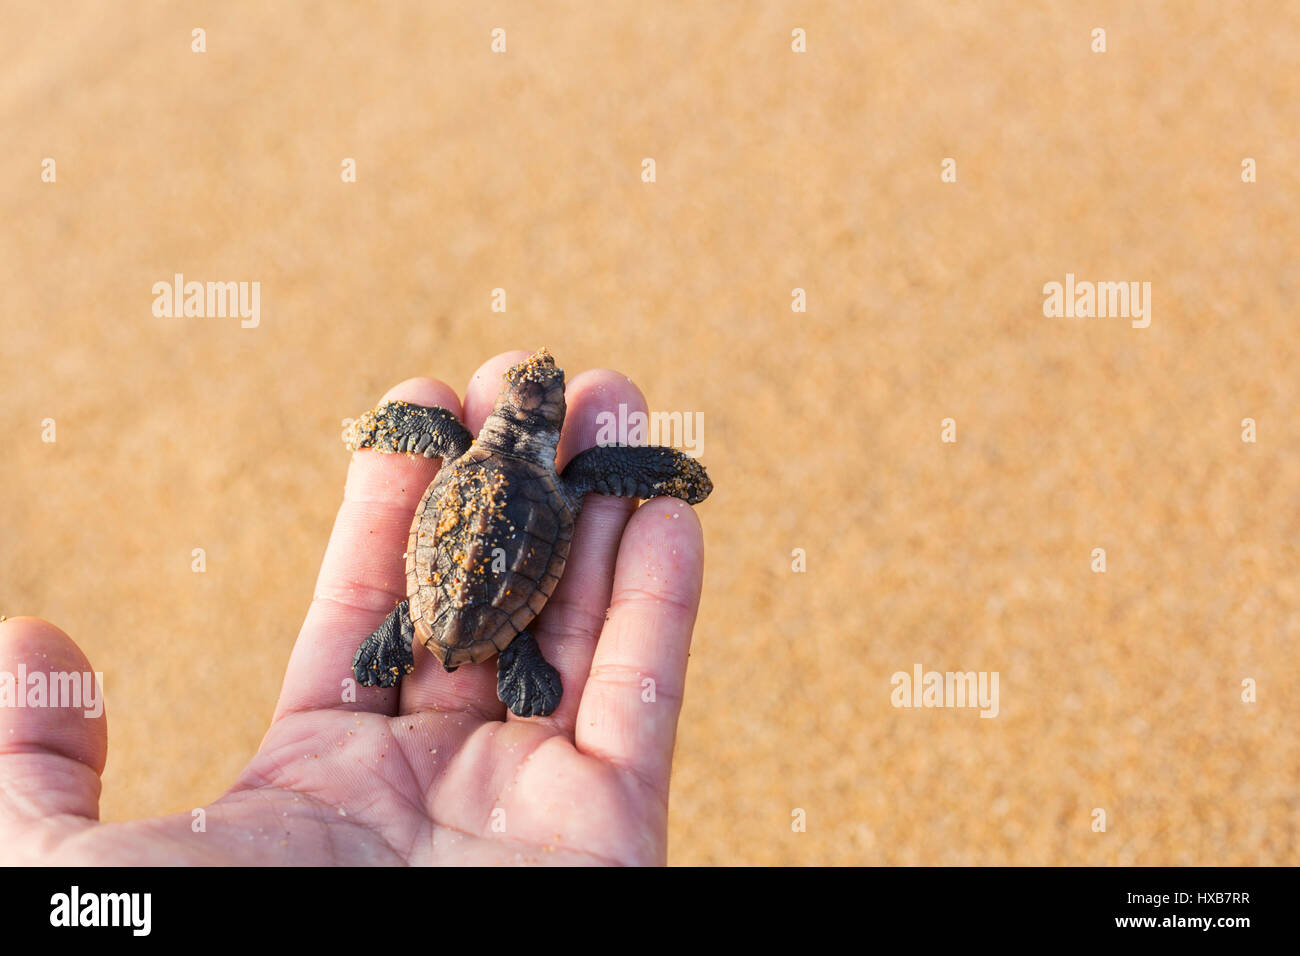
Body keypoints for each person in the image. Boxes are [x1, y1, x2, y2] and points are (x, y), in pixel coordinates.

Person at [0, 351, 705, 865]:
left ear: (500, 417)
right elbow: (605, 471)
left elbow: (417, 428)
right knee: (590, 501)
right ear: (550, 424)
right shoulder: (565, 482)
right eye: (543, 392)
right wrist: (674, 475)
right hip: (516, 591)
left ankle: (417, 630)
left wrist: (376, 426)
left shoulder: (456, 451)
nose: (545, 392)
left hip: (430, 601)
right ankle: (508, 652)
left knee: (424, 511)